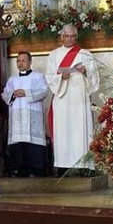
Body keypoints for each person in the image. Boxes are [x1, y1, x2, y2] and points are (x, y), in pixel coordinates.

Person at [45, 26, 99, 173]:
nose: (69, 39)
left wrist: (86, 71)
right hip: (62, 99)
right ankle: (63, 166)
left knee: (81, 131)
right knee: (63, 131)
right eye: (67, 36)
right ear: (61, 37)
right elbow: (49, 77)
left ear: (76, 37)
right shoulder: (54, 55)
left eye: (72, 36)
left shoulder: (85, 54)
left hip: (80, 99)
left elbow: (95, 79)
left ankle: (84, 167)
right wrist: (61, 77)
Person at [1, 52, 49, 177]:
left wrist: (26, 93)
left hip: (32, 113)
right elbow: (5, 94)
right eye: (18, 61)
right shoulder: (12, 79)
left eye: (23, 60)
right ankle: (18, 168)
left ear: (30, 62)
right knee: (18, 140)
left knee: (33, 140)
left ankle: (36, 169)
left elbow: (44, 91)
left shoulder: (38, 76)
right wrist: (12, 94)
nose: (20, 63)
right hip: (17, 114)